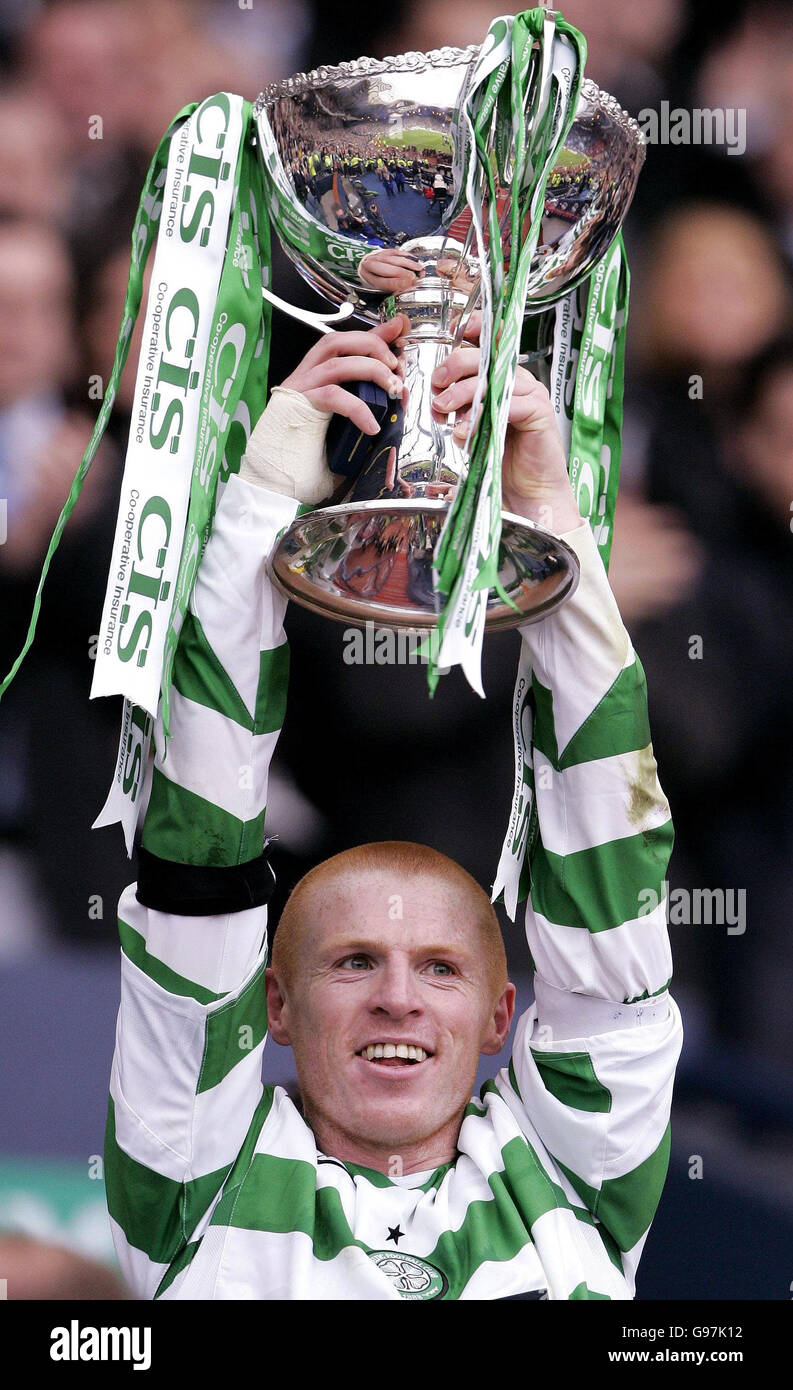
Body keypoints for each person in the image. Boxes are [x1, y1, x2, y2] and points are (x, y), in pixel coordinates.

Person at [104, 314, 681, 1300]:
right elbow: (199, 858)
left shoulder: (575, 1177)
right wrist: (264, 497)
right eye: (354, 960)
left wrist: (549, 515)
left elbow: (611, 885)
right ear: (273, 1005)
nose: (398, 998)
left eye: (441, 968)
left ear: (504, 1014)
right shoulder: (195, 1178)